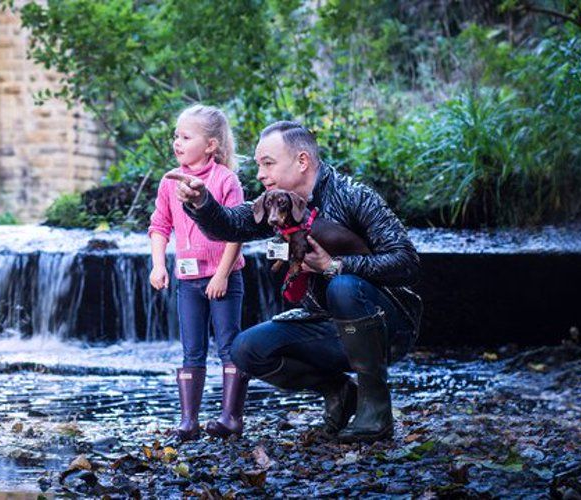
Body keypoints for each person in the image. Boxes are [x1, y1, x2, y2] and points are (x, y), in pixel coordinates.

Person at [163, 121, 421, 444]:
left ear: (302, 162)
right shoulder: (276, 203)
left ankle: (375, 409)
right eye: (258, 164)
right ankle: (340, 392)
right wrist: (201, 202)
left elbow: (407, 262)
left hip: (389, 326)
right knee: (245, 349)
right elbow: (229, 225)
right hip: (324, 325)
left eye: (267, 163)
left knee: (343, 285)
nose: (259, 174)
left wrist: (334, 266)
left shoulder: (355, 196)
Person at [148, 104, 248, 440]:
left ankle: (231, 418)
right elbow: (160, 224)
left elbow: (237, 230)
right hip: (187, 280)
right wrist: (159, 264)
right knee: (192, 349)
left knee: (228, 345)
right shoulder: (169, 181)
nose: (177, 142)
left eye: (186, 136)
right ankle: (188, 421)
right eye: (176, 135)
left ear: (211, 145)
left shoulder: (225, 180)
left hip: (224, 278)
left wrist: (222, 274)